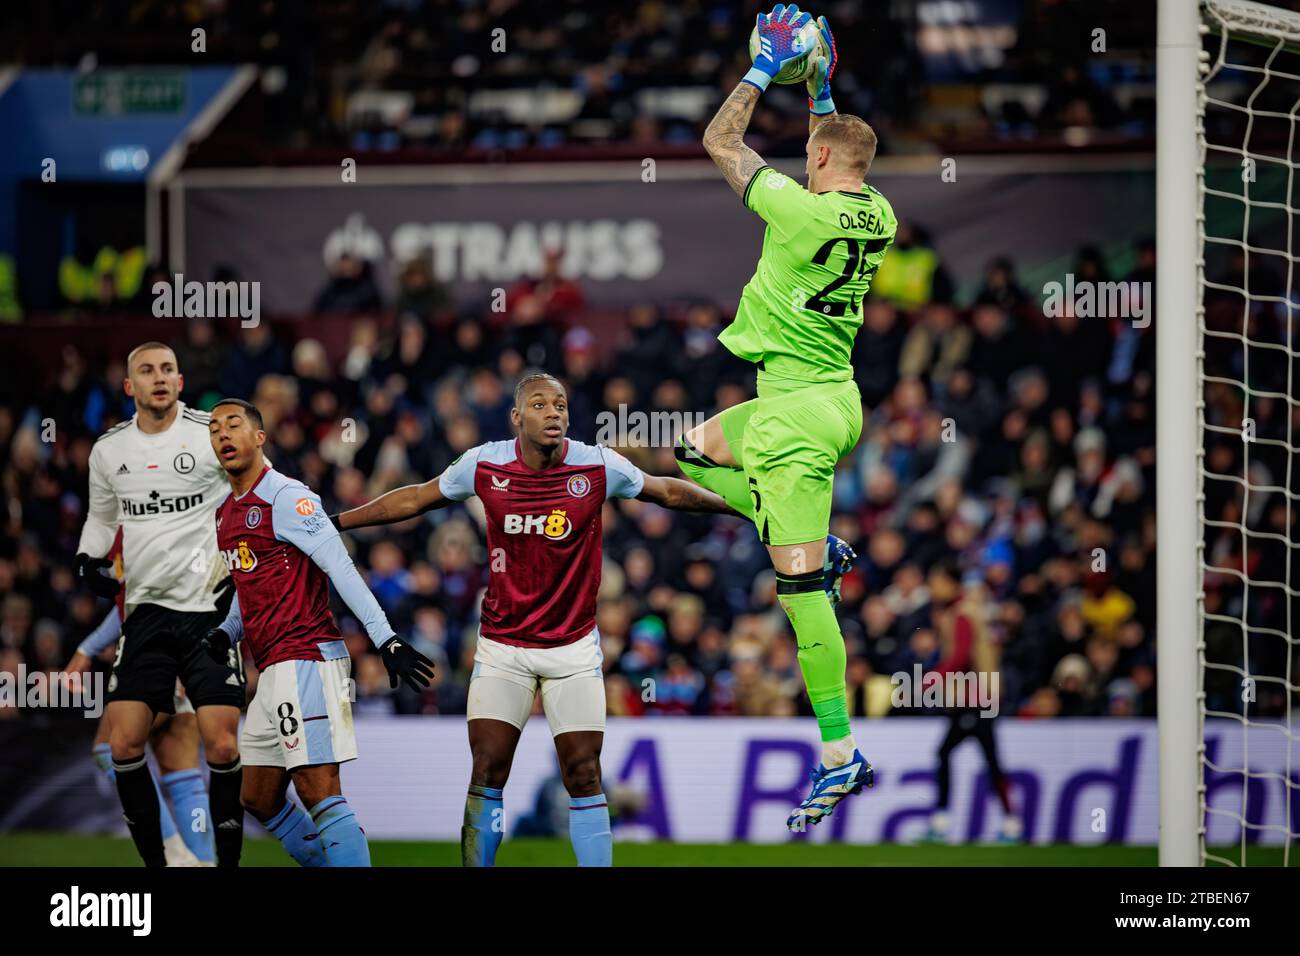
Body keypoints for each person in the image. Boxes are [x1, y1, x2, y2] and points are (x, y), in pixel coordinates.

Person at [332, 372, 741, 866]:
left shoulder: (596, 465)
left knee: (584, 773)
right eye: (541, 404)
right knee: (487, 769)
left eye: (561, 405)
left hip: (572, 648)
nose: (554, 413)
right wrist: (334, 524)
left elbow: (667, 492)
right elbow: (416, 496)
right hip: (503, 647)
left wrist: (742, 508)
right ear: (517, 416)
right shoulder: (484, 464)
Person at [680, 4, 896, 829]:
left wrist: (769, 66)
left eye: (809, 156)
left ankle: (840, 755)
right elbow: (833, 150)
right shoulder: (878, 214)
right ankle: (805, 542)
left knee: (802, 595)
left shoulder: (799, 210)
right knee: (694, 454)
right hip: (817, 397)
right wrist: (824, 85)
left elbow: (721, 144)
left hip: (798, 415)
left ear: (815, 160)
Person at [202, 398, 434, 866]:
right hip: (269, 667)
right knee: (258, 797)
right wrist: (225, 632)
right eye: (213, 428)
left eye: (233, 425)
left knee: (319, 790)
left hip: (307, 657)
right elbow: (251, 591)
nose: (223, 434)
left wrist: (385, 638)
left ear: (260, 438)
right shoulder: (226, 514)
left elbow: (342, 568)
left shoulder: (289, 497)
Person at [74, 342, 246, 867]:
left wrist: (244, 569)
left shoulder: (209, 434)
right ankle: (164, 864)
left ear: (180, 380)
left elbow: (255, 489)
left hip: (209, 613)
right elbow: (103, 518)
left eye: (168, 369)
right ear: (130, 387)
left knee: (221, 747)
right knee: (122, 745)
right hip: (144, 617)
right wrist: (88, 556)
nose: (159, 378)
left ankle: (219, 866)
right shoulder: (108, 451)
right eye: (147, 371)